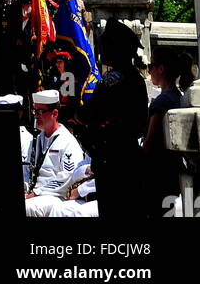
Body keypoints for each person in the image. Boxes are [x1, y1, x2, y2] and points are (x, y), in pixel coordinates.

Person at [81, 18, 147, 219]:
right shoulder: (135, 78)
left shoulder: (114, 80)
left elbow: (91, 113)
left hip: (113, 158)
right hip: (125, 155)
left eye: (106, 44)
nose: (103, 50)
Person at [142, 46, 190, 217]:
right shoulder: (179, 98)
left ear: (161, 69)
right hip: (172, 177)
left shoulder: (161, 103)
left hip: (158, 179)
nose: (149, 71)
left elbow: (149, 146)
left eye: (151, 66)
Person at [24, 89, 85, 217]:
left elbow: (67, 177)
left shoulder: (67, 141)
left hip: (54, 195)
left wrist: (37, 193)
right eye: (35, 111)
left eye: (40, 111)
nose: (36, 116)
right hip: (35, 192)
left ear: (55, 113)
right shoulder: (38, 138)